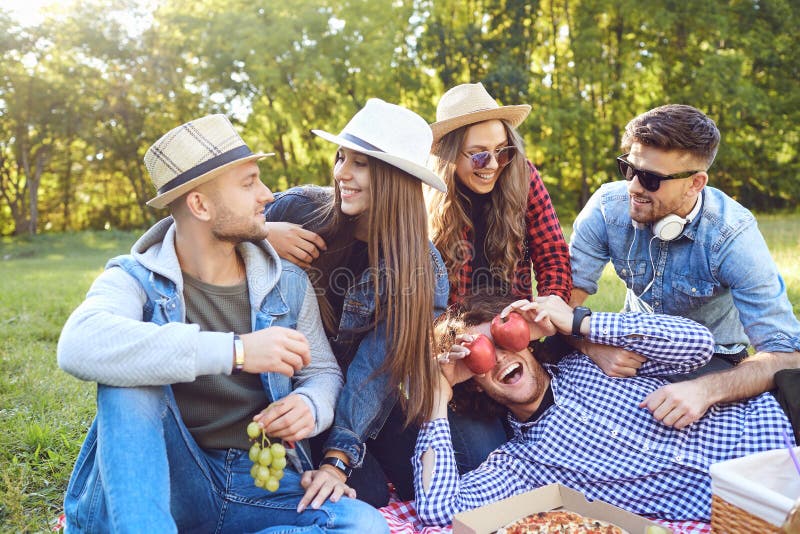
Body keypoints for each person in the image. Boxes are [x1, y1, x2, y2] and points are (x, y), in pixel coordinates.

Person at [56, 114, 388, 533]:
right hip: (164, 479)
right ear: (200, 204)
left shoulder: (287, 283)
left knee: (364, 526)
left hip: (255, 479)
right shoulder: (134, 279)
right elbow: (79, 344)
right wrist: (238, 350)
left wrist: (310, 406)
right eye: (249, 183)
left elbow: (322, 372)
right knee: (128, 377)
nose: (267, 196)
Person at [264, 99, 506, 509]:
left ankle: (345, 446)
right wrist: (260, 233)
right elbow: (201, 230)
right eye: (342, 157)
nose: (342, 173)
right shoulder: (299, 211)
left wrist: (339, 457)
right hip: (301, 382)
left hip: (365, 386)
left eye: (361, 163)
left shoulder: (421, 269)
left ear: (396, 178)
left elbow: (374, 372)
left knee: (422, 479)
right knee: (369, 493)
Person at [413, 292, 794, 526]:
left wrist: (578, 323)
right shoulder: (520, 467)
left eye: (502, 340)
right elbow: (439, 511)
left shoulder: (599, 359)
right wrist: (436, 396)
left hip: (783, 416)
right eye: (480, 361)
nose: (497, 360)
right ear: (474, 382)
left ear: (527, 340)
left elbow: (698, 343)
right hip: (760, 505)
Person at [568, 104, 800, 430]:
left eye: (650, 179)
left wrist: (707, 389)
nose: (633, 186)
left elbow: (787, 353)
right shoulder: (608, 208)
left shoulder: (732, 236)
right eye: (629, 169)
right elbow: (563, 306)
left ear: (695, 183)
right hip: (632, 346)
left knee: (657, 425)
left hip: (713, 359)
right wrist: (590, 346)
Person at [427, 82, 572, 306]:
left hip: (513, 323)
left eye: (502, 151)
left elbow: (553, 256)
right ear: (450, 156)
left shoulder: (523, 176)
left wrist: (550, 305)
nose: (494, 165)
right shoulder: (427, 194)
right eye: (479, 155)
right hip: (452, 330)